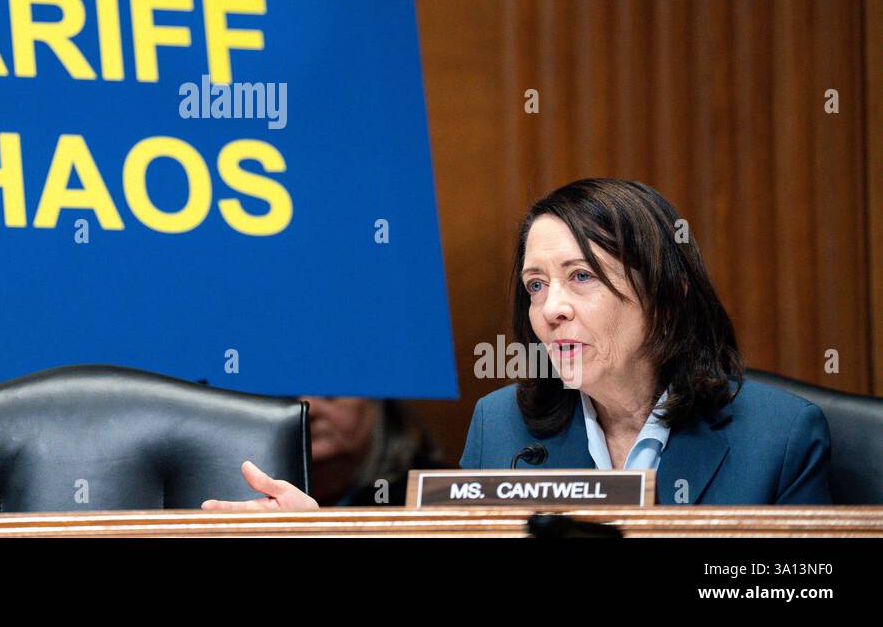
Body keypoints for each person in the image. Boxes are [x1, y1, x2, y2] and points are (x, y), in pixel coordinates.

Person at [202, 178, 832, 510]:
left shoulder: (780, 437)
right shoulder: (502, 424)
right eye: (536, 285)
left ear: (667, 294)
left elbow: (797, 591)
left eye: (580, 278)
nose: (551, 309)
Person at [303, 397, 443, 506]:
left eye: (329, 393)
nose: (308, 408)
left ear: (378, 406)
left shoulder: (435, 491)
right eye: (288, 394)